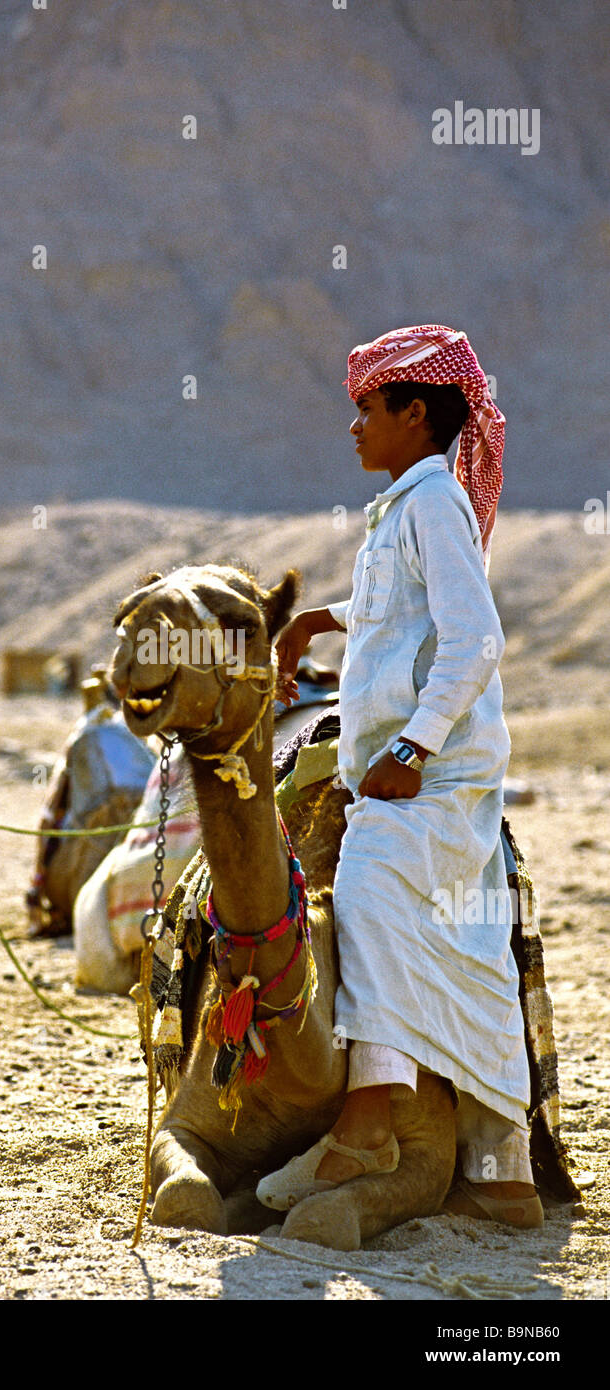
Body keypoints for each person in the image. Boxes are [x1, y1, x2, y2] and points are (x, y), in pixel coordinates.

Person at [257, 324, 542, 1227]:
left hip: (437, 771)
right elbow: (399, 611)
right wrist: (320, 621)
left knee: (371, 891)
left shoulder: (432, 505)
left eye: (367, 409)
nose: (353, 428)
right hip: (408, 762)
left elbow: (475, 638)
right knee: (467, 950)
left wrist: (413, 747)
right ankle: (502, 1174)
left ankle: (366, 1124)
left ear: (415, 413)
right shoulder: (408, 507)